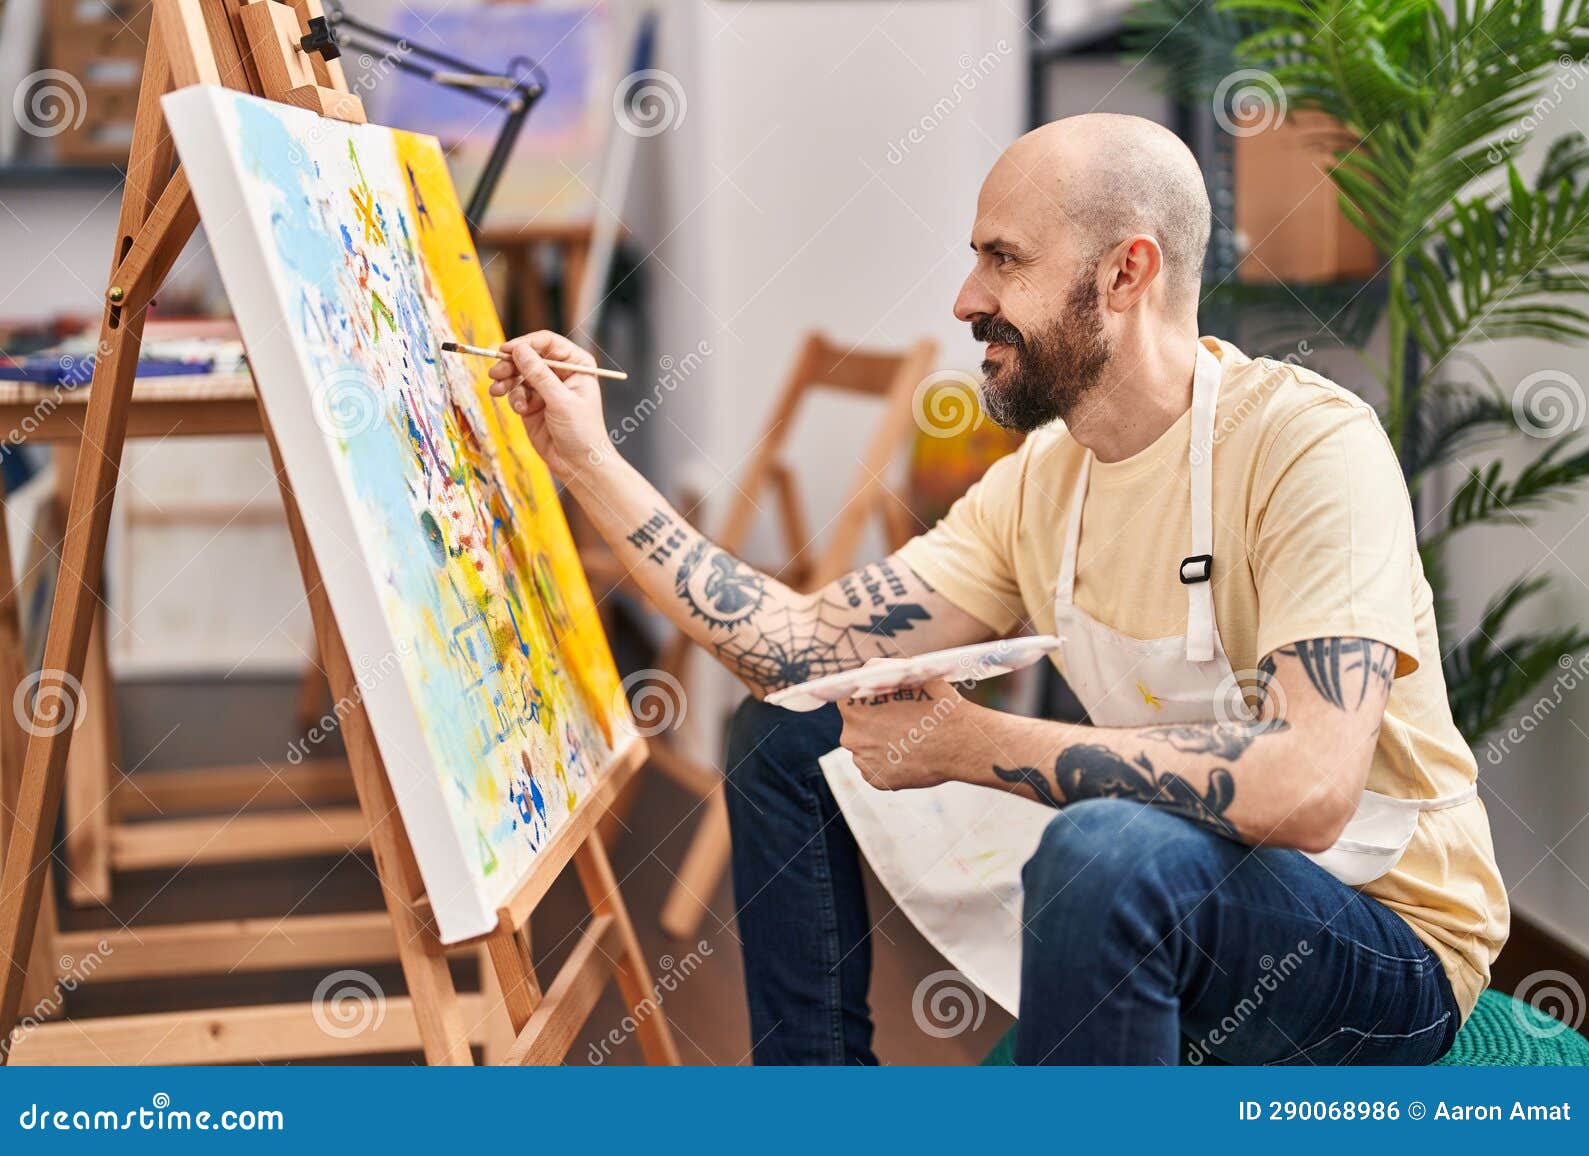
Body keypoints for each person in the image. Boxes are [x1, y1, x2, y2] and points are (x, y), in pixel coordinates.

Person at [488, 113, 1507, 1065]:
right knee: (791, 731)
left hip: (1386, 938)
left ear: (1125, 272)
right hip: (1189, 868)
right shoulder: (1042, 480)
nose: (965, 297)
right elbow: (797, 646)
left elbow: (1307, 785)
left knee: (1106, 850)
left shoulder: (1304, 445)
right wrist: (583, 459)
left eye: (1001, 258)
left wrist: (981, 746)